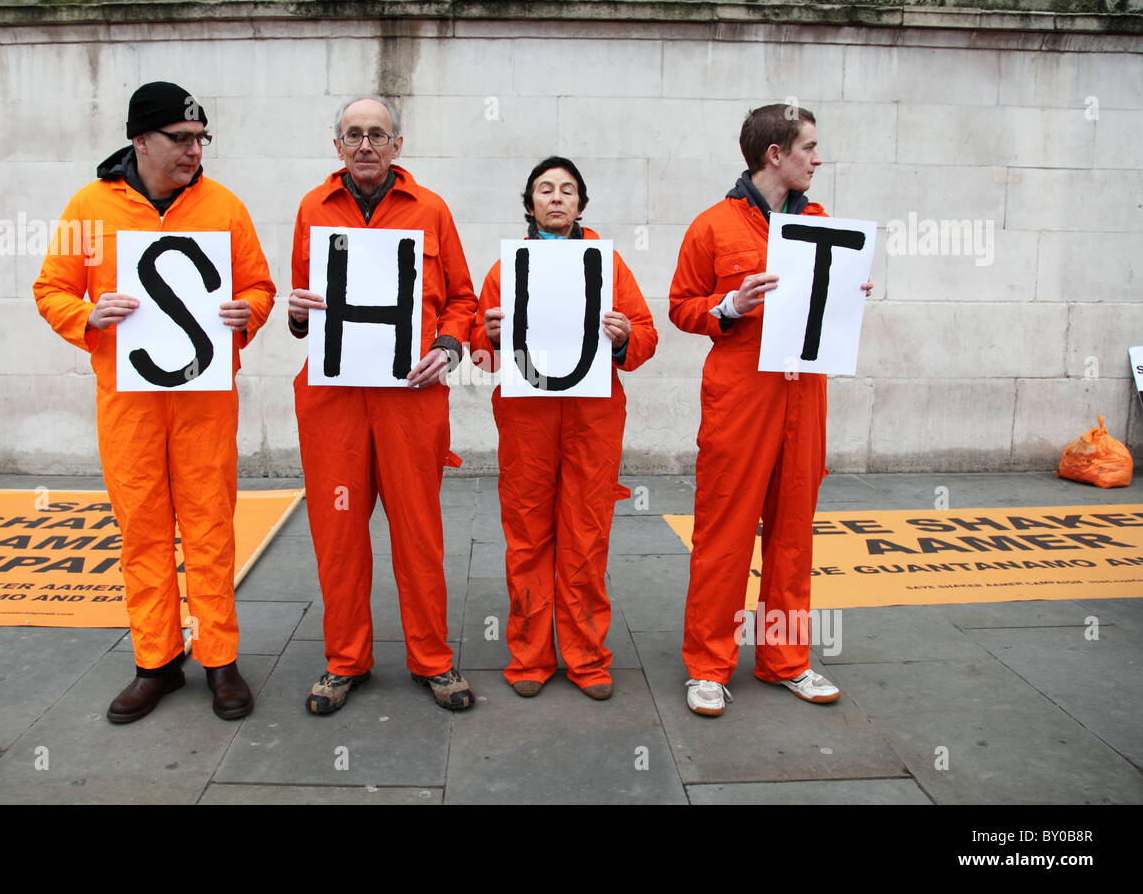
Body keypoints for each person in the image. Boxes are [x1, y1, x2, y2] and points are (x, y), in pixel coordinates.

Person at [34, 81, 275, 724]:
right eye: (181, 139)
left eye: (201, 139)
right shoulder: (90, 206)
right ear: (139, 140)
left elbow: (260, 285)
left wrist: (244, 312)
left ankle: (220, 658)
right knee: (140, 528)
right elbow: (51, 288)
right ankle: (157, 662)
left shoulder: (223, 206)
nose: (195, 151)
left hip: (204, 398)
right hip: (129, 401)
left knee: (210, 526)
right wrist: (90, 314)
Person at [668, 104, 870, 717]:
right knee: (724, 533)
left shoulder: (824, 222)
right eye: (808, 147)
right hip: (740, 399)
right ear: (773, 155)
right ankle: (708, 665)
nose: (817, 158)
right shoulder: (712, 227)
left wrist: (852, 293)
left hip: (804, 398)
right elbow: (681, 307)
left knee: (793, 534)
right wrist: (728, 305)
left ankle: (786, 659)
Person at [286, 97, 478, 714]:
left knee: (418, 533)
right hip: (334, 401)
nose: (365, 145)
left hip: (410, 400)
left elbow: (463, 299)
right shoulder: (313, 209)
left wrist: (448, 345)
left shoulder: (431, 210)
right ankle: (345, 660)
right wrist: (295, 314)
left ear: (398, 144)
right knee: (338, 534)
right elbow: (301, 308)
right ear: (336, 145)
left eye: (377, 134)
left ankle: (433, 660)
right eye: (353, 135)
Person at [469, 157, 657, 700]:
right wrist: (490, 335)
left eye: (567, 190)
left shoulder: (610, 265)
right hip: (527, 421)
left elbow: (645, 339)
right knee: (527, 538)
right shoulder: (504, 271)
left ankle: (587, 657)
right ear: (529, 204)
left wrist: (623, 338)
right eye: (545, 190)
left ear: (580, 204)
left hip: (592, 422)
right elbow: (479, 356)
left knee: (586, 538)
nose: (556, 198)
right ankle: (529, 656)